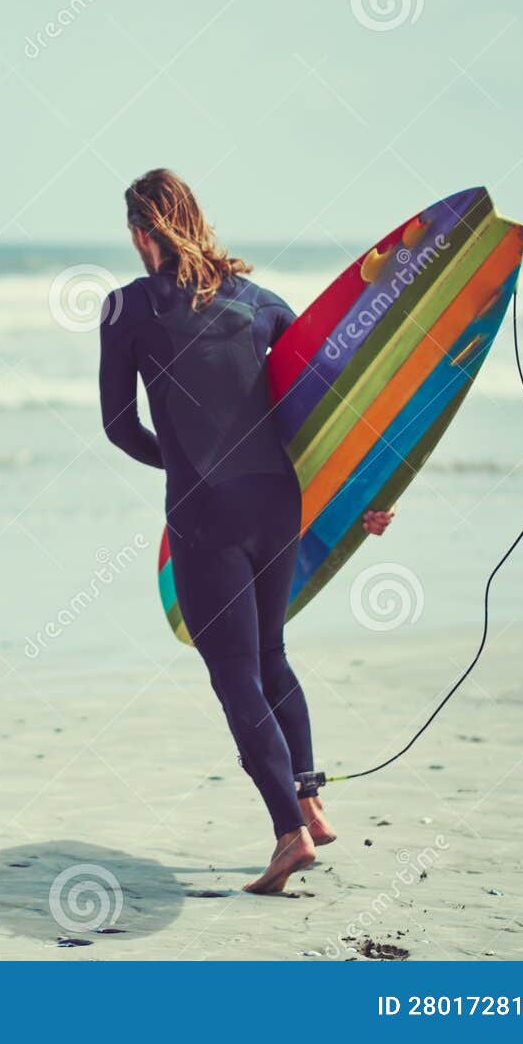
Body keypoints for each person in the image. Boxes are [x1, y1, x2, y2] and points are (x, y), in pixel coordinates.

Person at [98, 169, 392, 894]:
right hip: (278, 504)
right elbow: (322, 412)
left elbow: (116, 426)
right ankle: (312, 801)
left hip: (206, 510)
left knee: (234, 676)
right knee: (270, 653)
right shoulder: (261, 304)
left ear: (141, 233)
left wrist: (187, 467)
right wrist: (363, 499)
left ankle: (289, 834)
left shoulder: (124, 307)